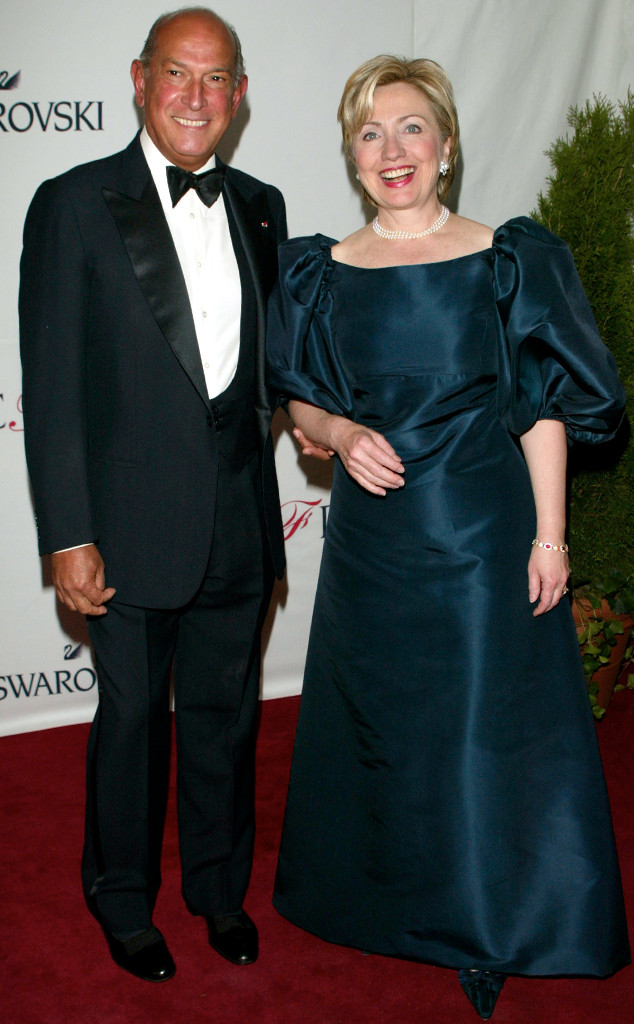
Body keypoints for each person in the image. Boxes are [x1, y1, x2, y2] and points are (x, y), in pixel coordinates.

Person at [266, 55, 630, 1019]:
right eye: (370, 132)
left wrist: (550, 538)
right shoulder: (320, 272)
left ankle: (483, 926)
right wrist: (339, 431)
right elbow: (300, 401)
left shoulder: (506, 260)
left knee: (477, 734)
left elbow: (541, 408)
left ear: (447, 144)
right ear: (353, 155)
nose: (393, 149)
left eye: (411, 127)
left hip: (478, 538)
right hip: (372, 547)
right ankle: (387, 902)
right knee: (385, 728)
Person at [19, 7, 287, 983]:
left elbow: (272, 366)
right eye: (178, 73)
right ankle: (123, 900)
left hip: (239, 519)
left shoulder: (261, 204)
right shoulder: (73, 202)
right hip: (126, 525)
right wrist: (68, 533)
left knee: (226, 718)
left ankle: (218, 890)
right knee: (132, 723)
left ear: (240, 95)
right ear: (140, 80)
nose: (195, 96)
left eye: (216, 79)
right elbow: (52, 387)